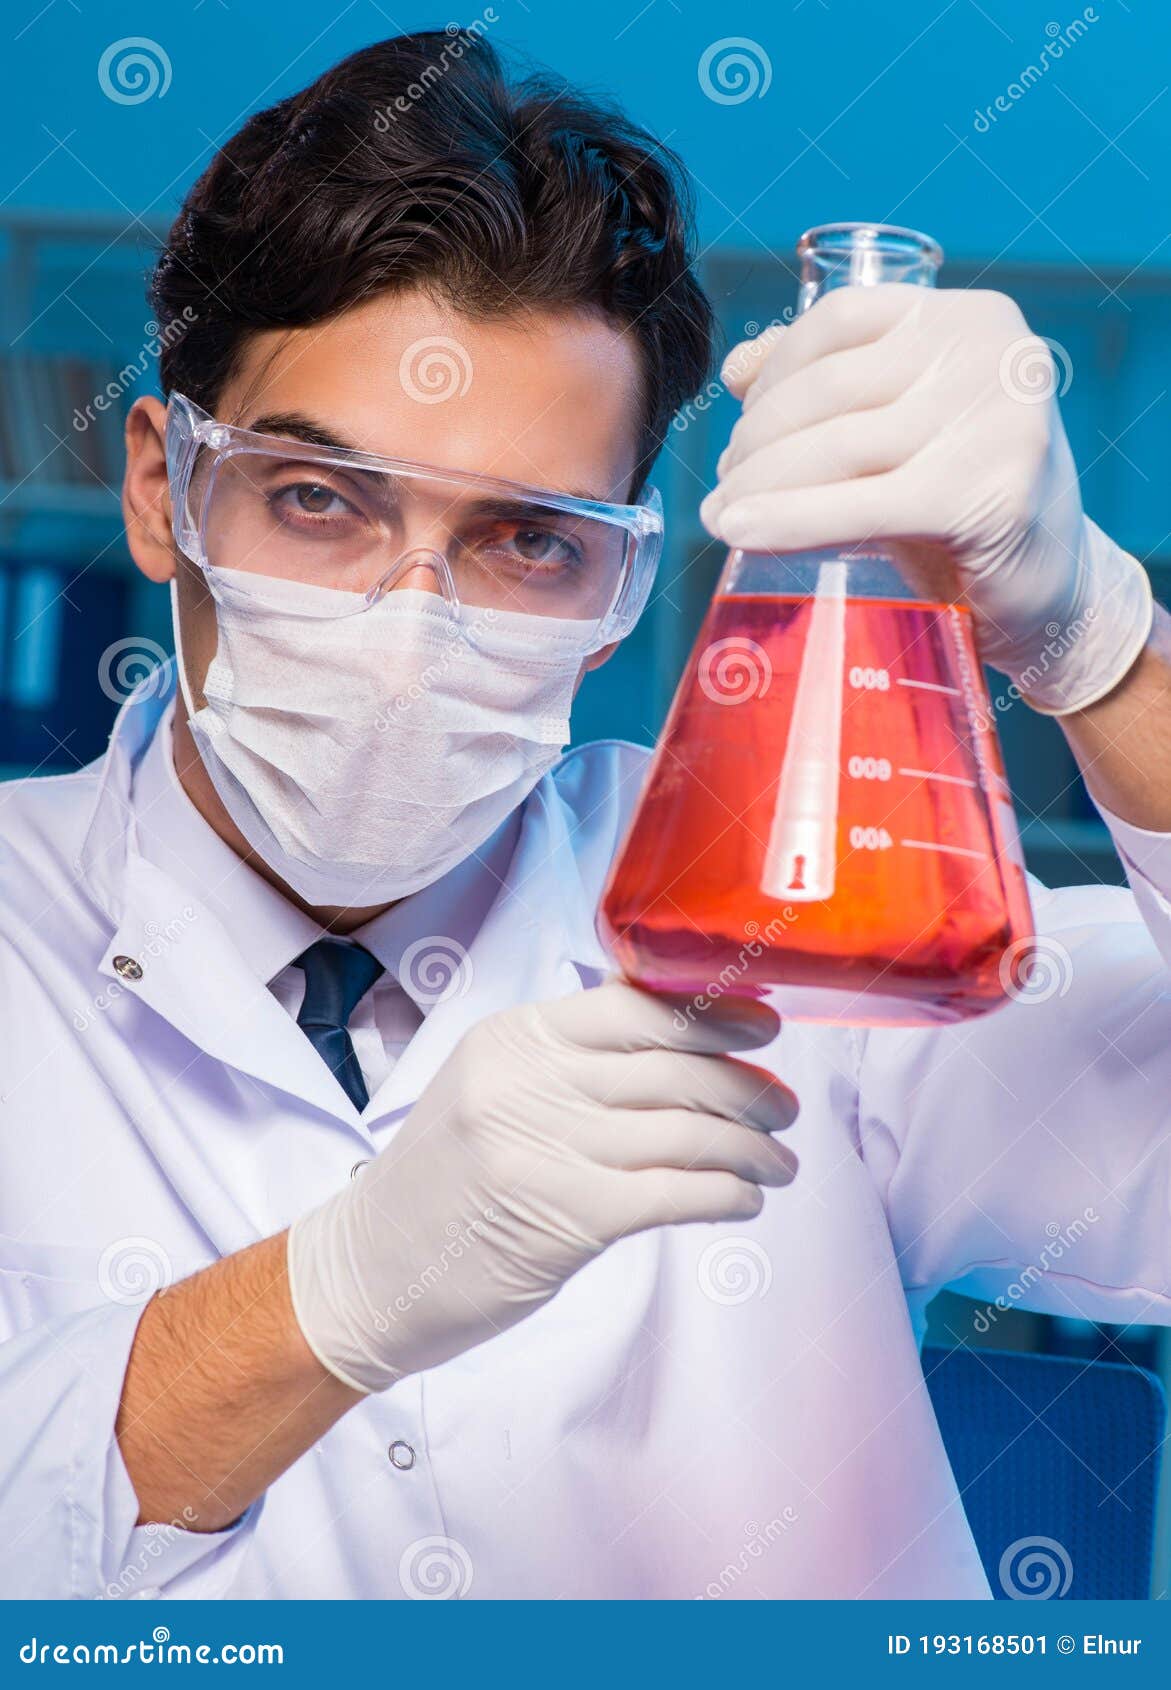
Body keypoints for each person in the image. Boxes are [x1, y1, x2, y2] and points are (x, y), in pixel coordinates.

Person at [1, 31, 1169, 1602]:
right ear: (161, 487)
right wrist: (326, 1297)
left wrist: (1098, 643)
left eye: (527, 542)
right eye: (315, 499)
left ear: (625, 582)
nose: (407, 629)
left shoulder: (793, 914)